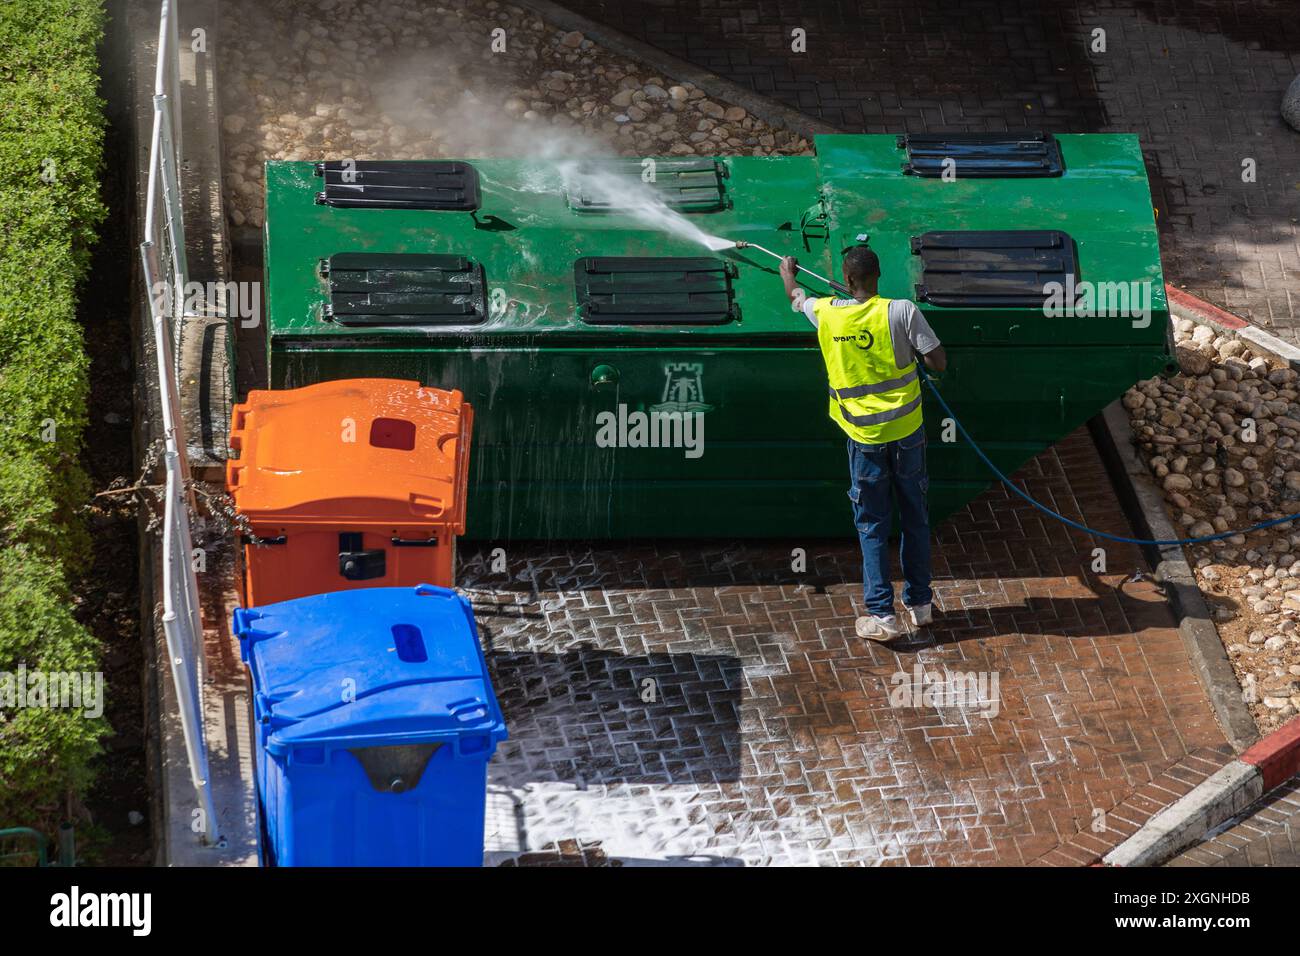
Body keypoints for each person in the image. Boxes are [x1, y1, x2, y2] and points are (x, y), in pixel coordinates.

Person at [780, 248, 947, 640]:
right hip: (907, 434)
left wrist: (788, 273)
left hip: (864, 440)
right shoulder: (901, 311)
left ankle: (882, 615)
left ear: (846, 277)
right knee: (916, 518)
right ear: (879, 274)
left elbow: (796, 298)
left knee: (872, 525)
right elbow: (938, 362)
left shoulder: (826, 313)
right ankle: (921, 605)